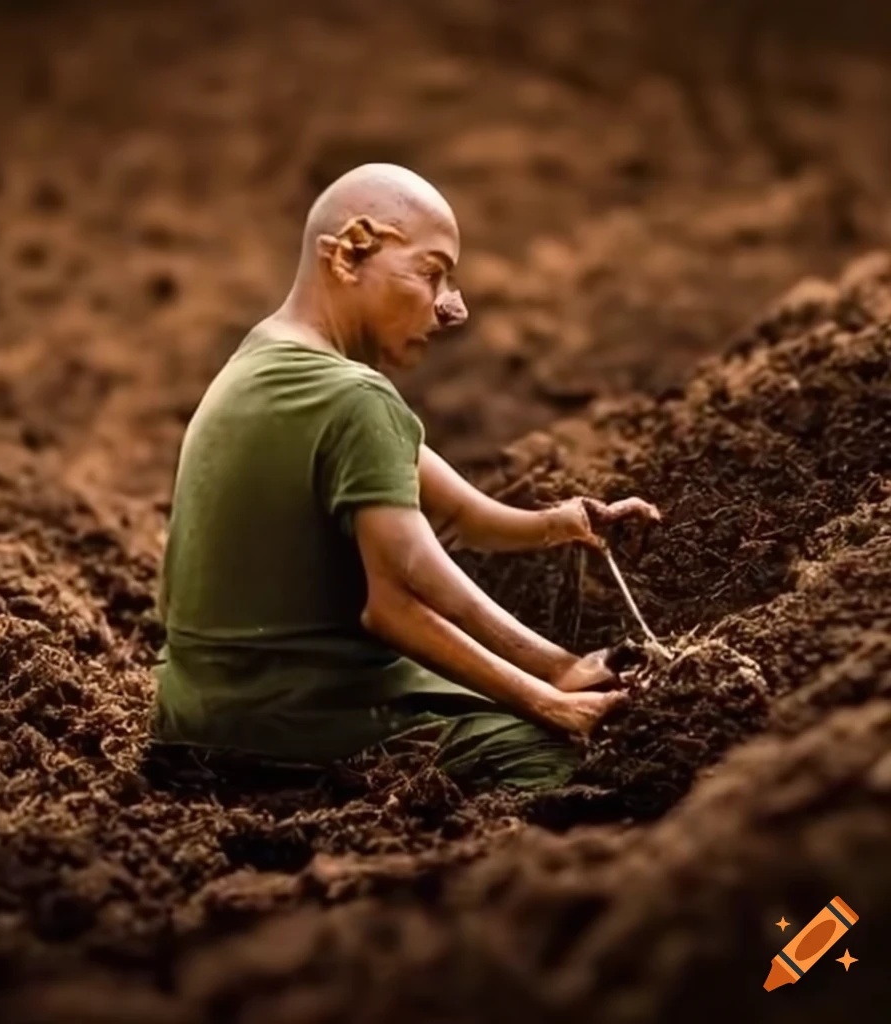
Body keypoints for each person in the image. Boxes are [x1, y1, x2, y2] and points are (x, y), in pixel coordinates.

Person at [151, 163, 660, 792]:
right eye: (431, 272)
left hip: (195, 717)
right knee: (560, 764)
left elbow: (456, 516)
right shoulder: (355, 397)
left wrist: (562, 525)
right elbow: (397, 602)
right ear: (348, 256)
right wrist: (551, 689)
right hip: (299, 724)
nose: (453, 308)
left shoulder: (264, 360)